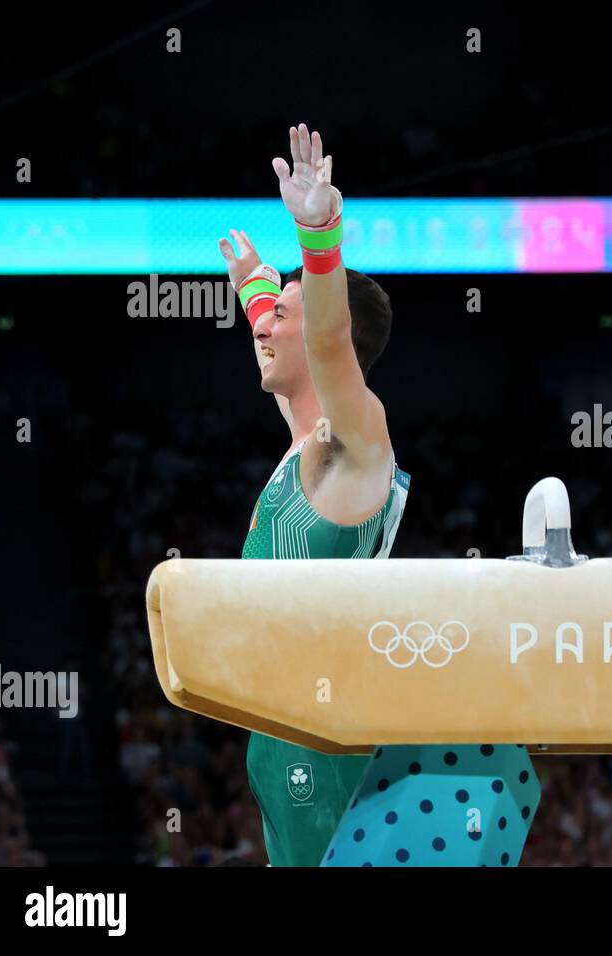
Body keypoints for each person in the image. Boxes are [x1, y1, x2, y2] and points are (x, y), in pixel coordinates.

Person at [217, 124, 410, 866]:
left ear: (335, 336)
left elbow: (327, 346)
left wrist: (320, 235)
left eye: (281, 319)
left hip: (322, 729)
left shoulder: (357, 446)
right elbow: (296, 356)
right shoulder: (308, 445)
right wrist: (259, 289)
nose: (264, 329)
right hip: (283, 726)